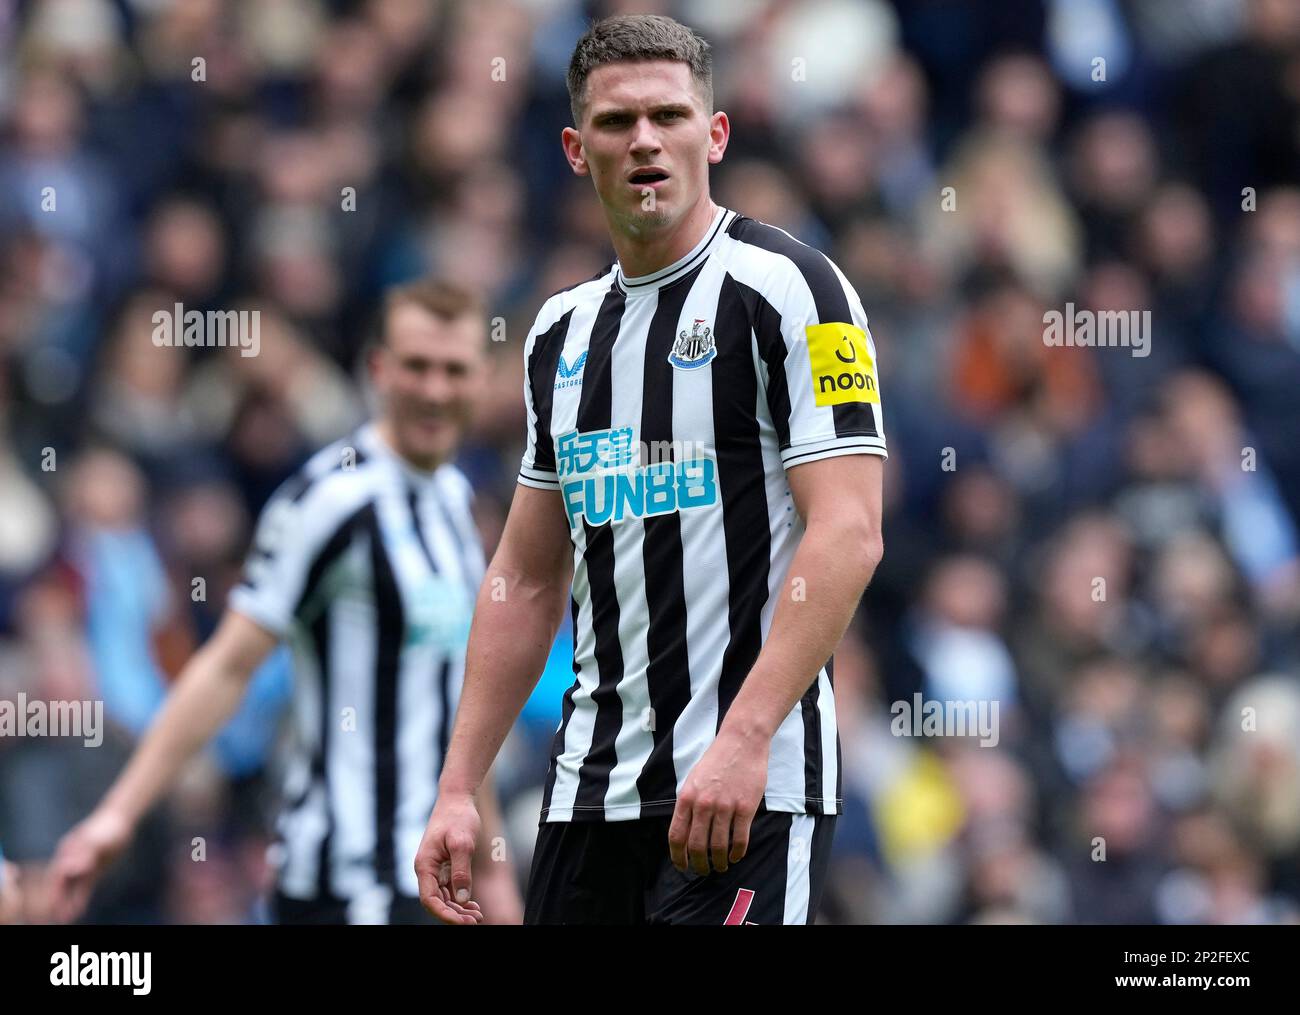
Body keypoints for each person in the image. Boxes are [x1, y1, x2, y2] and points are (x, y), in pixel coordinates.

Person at [415, 14, 886, 926]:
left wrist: (745, 738)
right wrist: (458, 785)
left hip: (751, 787)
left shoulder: (795, 290)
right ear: (573, 147)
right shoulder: (559, 333)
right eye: (615, 122)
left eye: (668, 116)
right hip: (592, 794)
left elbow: (850, 530)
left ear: (713, 134)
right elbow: (523, 575)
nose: (643, 141)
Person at [48, 279, 522, 925]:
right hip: (344, 877)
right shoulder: (328, 498)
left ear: (482, 376)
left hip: (435, 876)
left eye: (454, 370)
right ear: (379, 369)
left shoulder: (457, 504)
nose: (435, 389)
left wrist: (492, 869)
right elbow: (228, 665)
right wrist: (118, 814)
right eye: (417, 366)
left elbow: (466, 702)